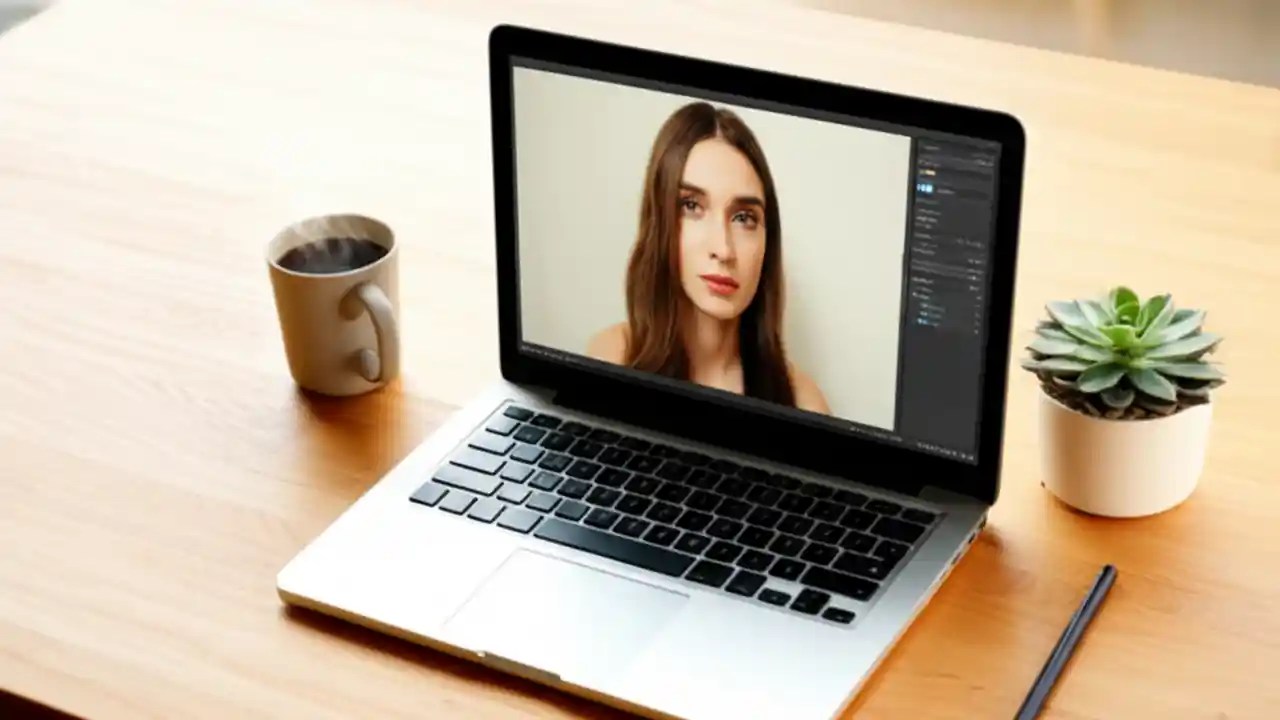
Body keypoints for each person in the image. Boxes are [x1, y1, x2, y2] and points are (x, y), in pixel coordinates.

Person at [587, 101, 831, 415]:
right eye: (691, 206)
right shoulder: (612, 357)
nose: (724, 250)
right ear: (659, 221)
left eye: (744, 218)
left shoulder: (804, 403)